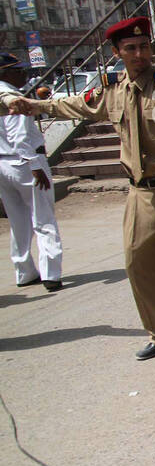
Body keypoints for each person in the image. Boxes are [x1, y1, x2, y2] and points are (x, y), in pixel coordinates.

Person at [10, 18, 155, 359]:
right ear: (117, 52)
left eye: (144, 47)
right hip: (140, 193)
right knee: (140, 263)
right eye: (131, 49)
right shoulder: (112, 89)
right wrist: (36, 106)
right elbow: (76, 104)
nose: (140, 54)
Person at [0, 54, 62, 291]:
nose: (23, 74)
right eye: (17, 70)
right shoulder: (13, 98)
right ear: (5, 73)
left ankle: (24, 271)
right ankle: (51, 274)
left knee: (18, 221)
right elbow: (19, 135)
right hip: (24, 163)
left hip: (4, 163)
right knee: (43, 218)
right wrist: (35, 166)